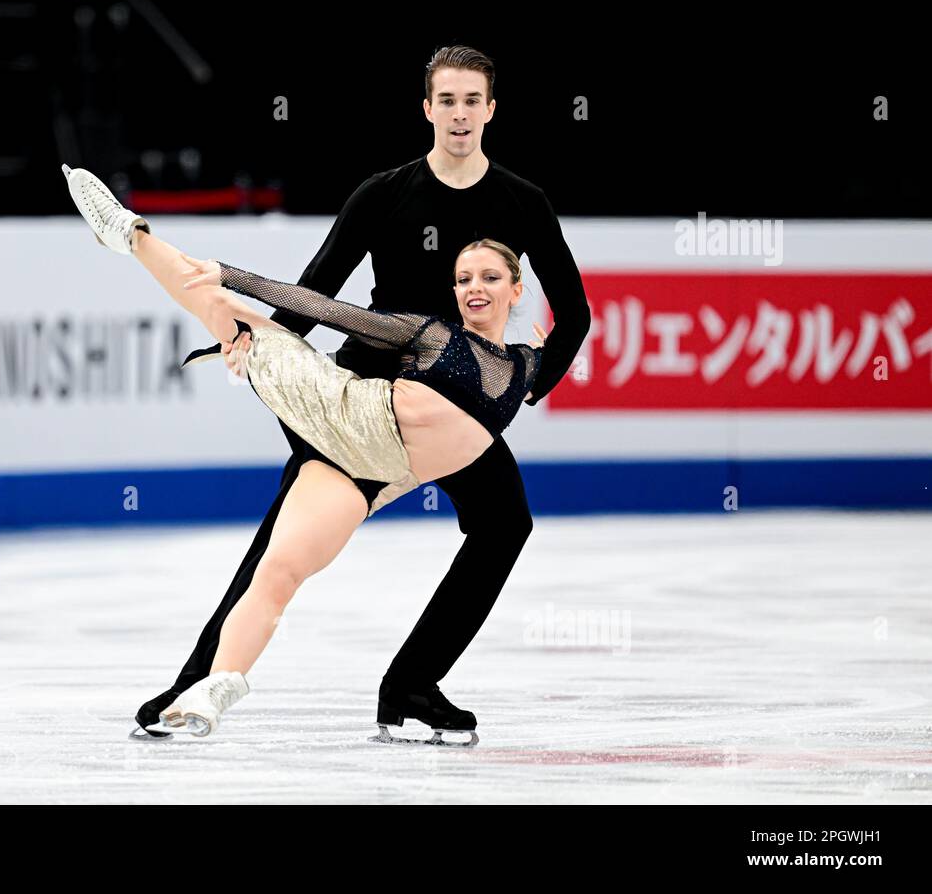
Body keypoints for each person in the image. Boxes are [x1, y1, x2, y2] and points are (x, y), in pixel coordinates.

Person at [117, 45, 591, 743]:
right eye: (447, 101)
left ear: (491, 110)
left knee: (503, 523)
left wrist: (521, 394)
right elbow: (318, 293)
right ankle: (197, 682)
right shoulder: (384, 193)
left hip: (450, 409)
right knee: (283, 546)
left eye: (472, 102)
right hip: (363, 394)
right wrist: (265, 346)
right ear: (427, 109)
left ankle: (411, 686)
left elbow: (573, 314)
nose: (459, 115)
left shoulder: (523, 202)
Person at [66, 164, 548, 740]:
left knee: (283, 568)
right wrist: (231, 274)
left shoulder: (527, 363)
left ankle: (217, 686)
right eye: (465, 277)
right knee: (228, 316)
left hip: (367, 474)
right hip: (333, 406)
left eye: (490, 278)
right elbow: (329, 309)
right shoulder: (431, 334)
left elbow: (567, 326)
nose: (474, 288)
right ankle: (132, 234)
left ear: (516, 289)